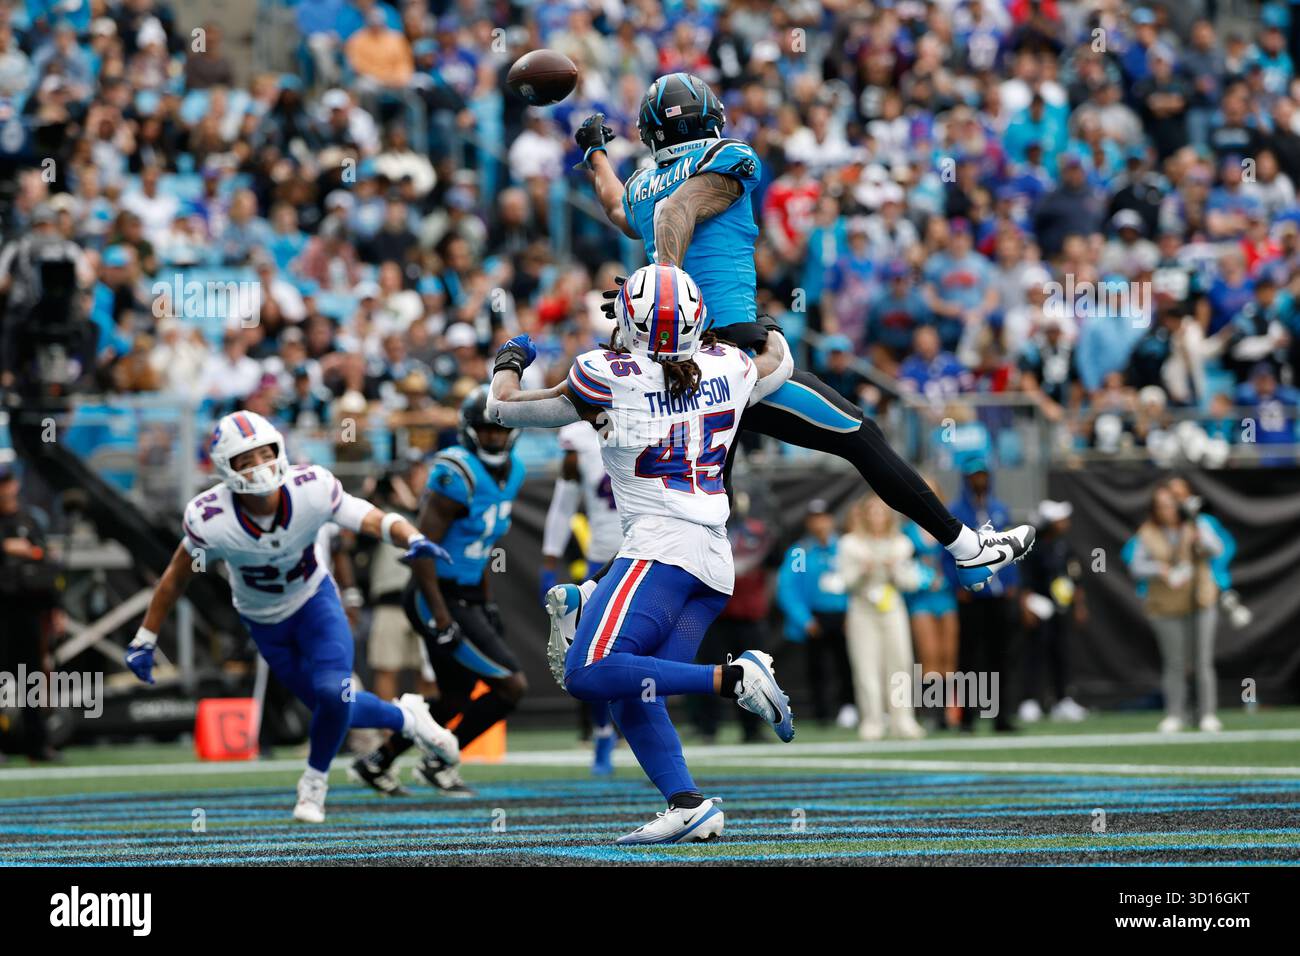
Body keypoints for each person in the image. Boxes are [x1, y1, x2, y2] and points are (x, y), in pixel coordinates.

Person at [576, 73, 1035, 595]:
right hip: (731, 359)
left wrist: (596, 155)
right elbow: (677, 209)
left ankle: (594, 599)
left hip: (683, 369)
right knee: (859, 435)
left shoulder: (641, 183)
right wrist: (667, 283)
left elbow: (618, 207)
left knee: (701, 524)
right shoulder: (725, 156)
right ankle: (967, 549)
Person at [488, 262, 796, 845]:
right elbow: (781, 364)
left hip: (658, 545)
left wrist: (508, 361)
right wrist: (766, 328)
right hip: (712, 556)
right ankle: (688, 804)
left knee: (587, 671)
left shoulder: (603, 374)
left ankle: (736, 678)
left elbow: (502, 408)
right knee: (628, 686)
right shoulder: (729, 365)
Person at [125, 411, 460, 823]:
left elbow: (371, 517)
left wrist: (413, 537)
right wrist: (146, 637)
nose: (258, 466)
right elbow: (176, 577)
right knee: (332, 705)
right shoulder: (210, 519)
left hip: (315, 602)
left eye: (263, 454)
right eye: (244, 460)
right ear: (225, 470)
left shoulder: (310, 489)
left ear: (279, 450)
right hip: (265, 622)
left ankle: (314, 786)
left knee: (334, 693)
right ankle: (409, 717)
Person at [352, 386, 527, 798]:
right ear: (470, 432)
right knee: (511, 685)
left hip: (466, 594)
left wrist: (485, 602)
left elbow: (482, 548)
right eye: (485, 431)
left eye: (499, 430)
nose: (494, 438)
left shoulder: (514, 471)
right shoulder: (456, 472)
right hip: (435, 594)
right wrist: (442, 617)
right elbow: (422, 552)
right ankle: (440, 760)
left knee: (453, 699)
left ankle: (377, 761)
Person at [540, 419, 624, 775]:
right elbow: (563, 505)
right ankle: (603, 733)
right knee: (592, 651)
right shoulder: (579, 437)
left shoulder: (651, 422)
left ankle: (637, 728)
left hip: (648, 554)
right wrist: (548, 563)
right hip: (601, 559)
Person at [1125, 483, 1223, 733]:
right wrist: (1161, 570)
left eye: (1171, 504)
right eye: (1161, 506)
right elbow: (1136, 567)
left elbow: (1216, 550)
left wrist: (1199, 532)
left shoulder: (1197, 524)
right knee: (1175, 662)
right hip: (1165, 605)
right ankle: (1176, 713)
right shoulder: (1147, 532)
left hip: (1200, 600)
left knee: (1203, 660)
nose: (1167, 510)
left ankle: (1207, 713)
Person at [838, 496, 926, 740]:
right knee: (866, 667)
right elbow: (843, 582)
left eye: (881, 512)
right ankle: (872, 721)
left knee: (900, 663)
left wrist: (894, 569)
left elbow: (912, 582)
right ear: (864, 515)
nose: (876, 517)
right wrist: (860, 571)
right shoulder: (850, 544)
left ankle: (903, 721)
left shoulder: (902, 544)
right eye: (872, 511)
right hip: (862, 609)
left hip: (892, 609)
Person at [946, 458, 1019, 733]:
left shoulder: (999, 509)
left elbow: (1012, 546)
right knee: (969, 657)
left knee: (999, 656)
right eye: (974, 475)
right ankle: (966, 717)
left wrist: (1012, 581)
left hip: (998, 595)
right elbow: (947, 552)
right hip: (971, 596)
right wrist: (956, 585)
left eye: (983, 475)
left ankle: (1001, 716)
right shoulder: (956, 511)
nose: (980, 480)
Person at [0, 466, 63, 762]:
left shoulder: (29, 520)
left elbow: (47, 565)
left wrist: (55, 608)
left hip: (28, 610)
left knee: (31, 680)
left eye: (7, 483)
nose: (6, 489)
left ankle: (37, 745)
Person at [775, 500, 855, 728]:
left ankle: (849, 706)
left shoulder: (843, 547)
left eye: (824, 517)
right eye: (815, 519)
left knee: (847, 663)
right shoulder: (802, 552)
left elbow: (855, 580)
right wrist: (804, 619)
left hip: (843, 614)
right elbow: (789, 587)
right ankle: (821, 713)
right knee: (817, 666)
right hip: (815, 615)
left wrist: (852, 613)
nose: (820, 523)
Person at [1017, 500, 1088, 724]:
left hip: (1060, 609)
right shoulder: (1032, 547)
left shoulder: (1065, 546)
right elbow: (1024, 582)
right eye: (1060, 519)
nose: (1065, 523)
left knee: (1061, 654)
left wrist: (1079, 605)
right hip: (1039, 609)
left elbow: (1074, 579)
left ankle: (1062, 700)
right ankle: (1030, 701)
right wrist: (1026, 606)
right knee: (1034, 655)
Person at [902, 475, 961, 731]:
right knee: (929, 655)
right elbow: (904, 566)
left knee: (949, 655)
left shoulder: (948, 525)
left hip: (946, 595)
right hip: (921, 598)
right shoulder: (907, 531)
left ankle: (950, 712)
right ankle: (932, 713)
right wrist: (923, 578)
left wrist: (946, 577)